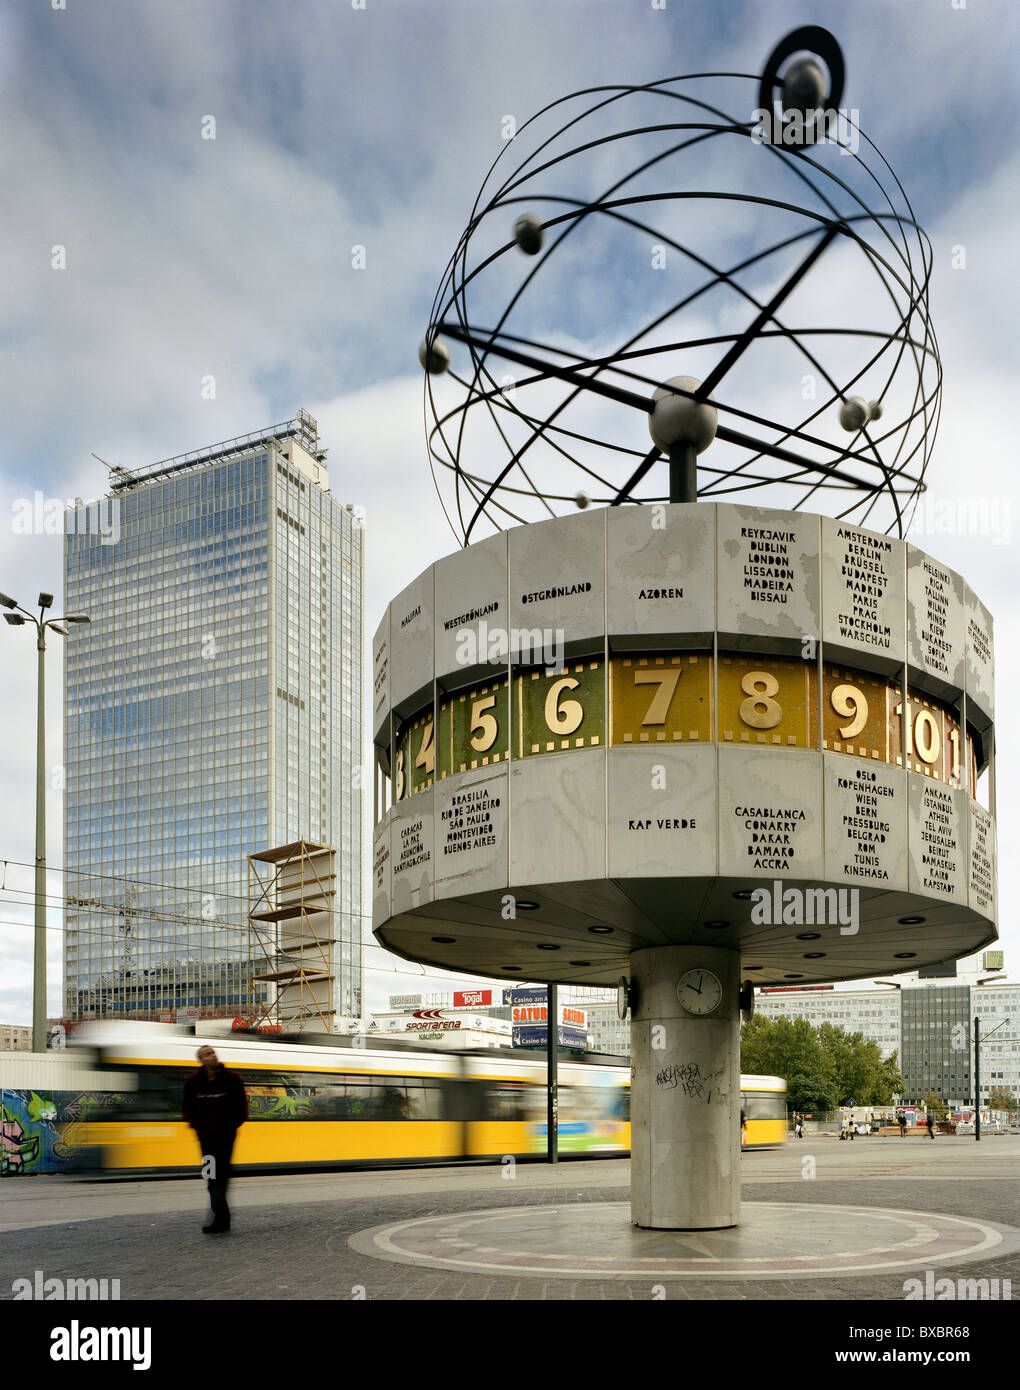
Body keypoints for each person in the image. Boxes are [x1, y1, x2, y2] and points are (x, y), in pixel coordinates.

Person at [182, 1045, 248, 1234]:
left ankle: (220, 1219)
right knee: (211, 1176)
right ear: (201, 1060)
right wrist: (197, 1126)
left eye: (213, 1053)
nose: (213, 1055)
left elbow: (242, 1106)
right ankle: (221, 1216)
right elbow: (187, 1106)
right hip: (206, 1139)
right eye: (207, 1054)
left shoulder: (232, 1079)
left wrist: (232, 1126)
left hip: (226, 1139)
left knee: (222, 1175)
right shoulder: (193, 1082)